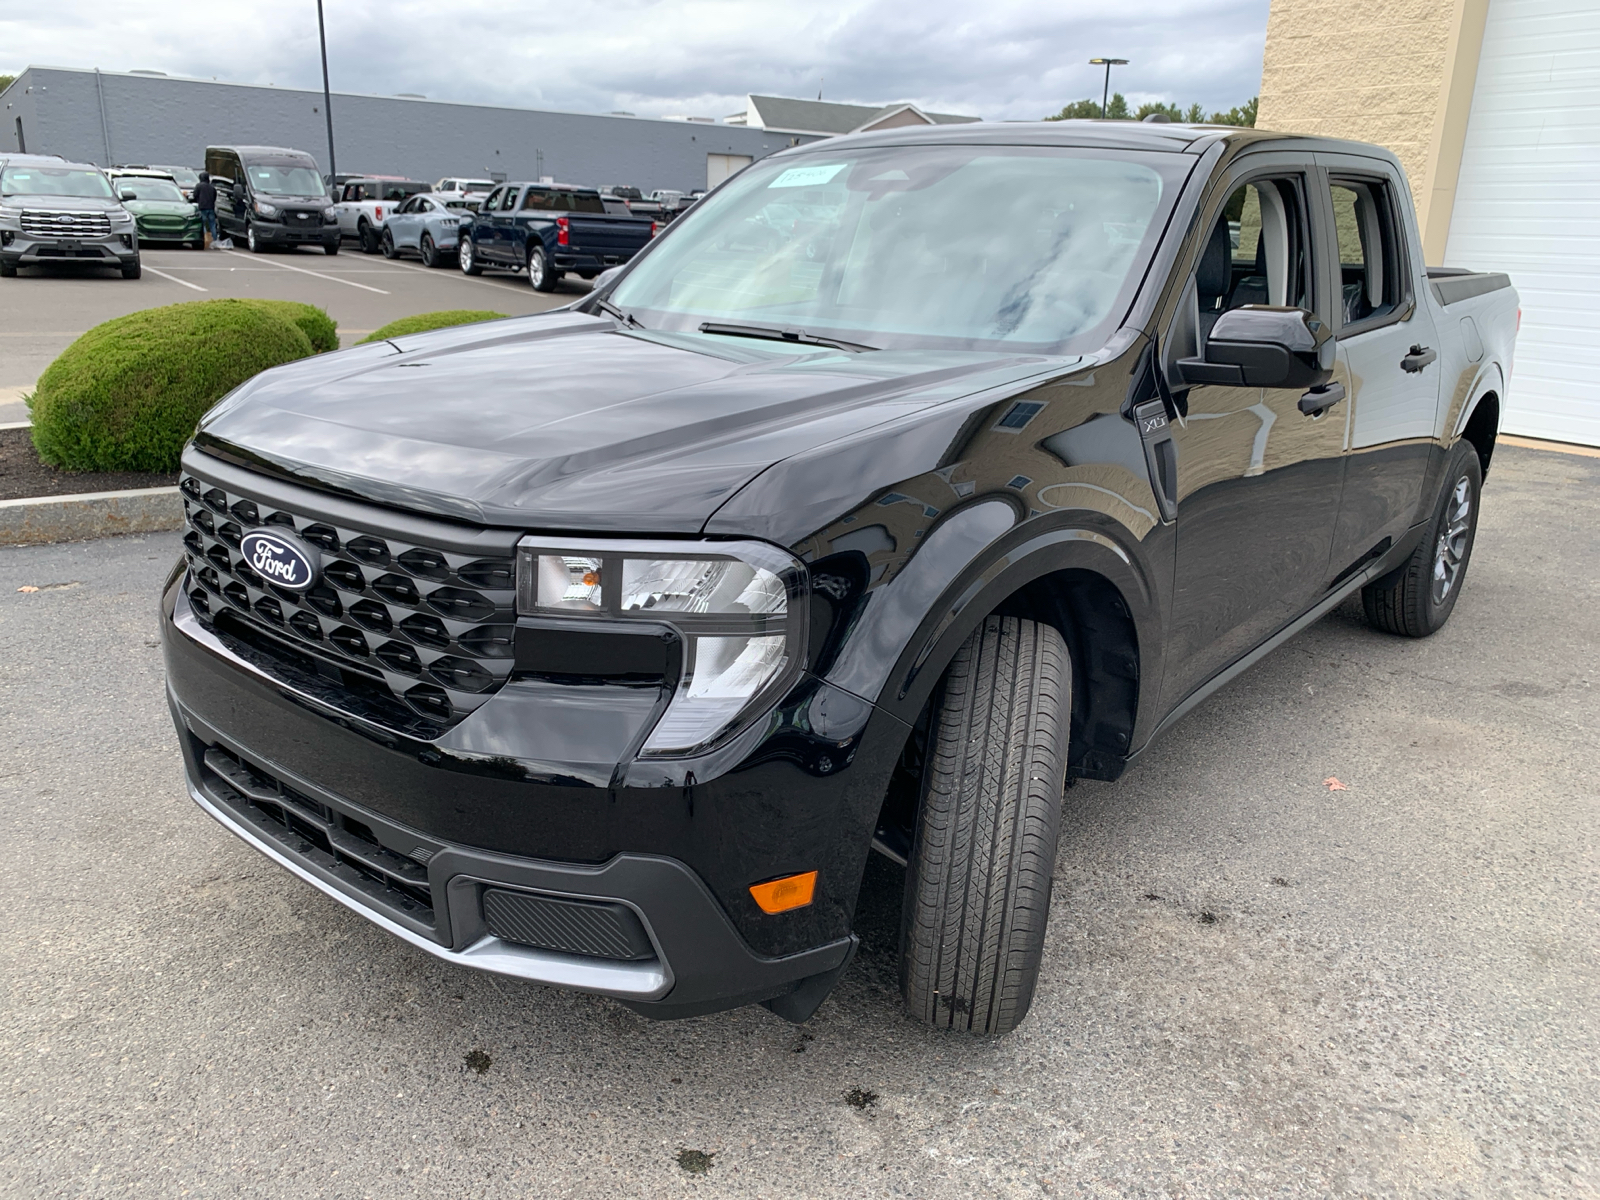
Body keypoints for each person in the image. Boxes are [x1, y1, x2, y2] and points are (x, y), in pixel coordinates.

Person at [194, 171, 218, 249]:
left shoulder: (199, 186)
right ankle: (215, 241)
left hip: (202, 208)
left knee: (202, 224)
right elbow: (214, 197)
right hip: (211, 208)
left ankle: (204, 240)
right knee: (212, 225)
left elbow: (195, 195)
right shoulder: (212, 187)